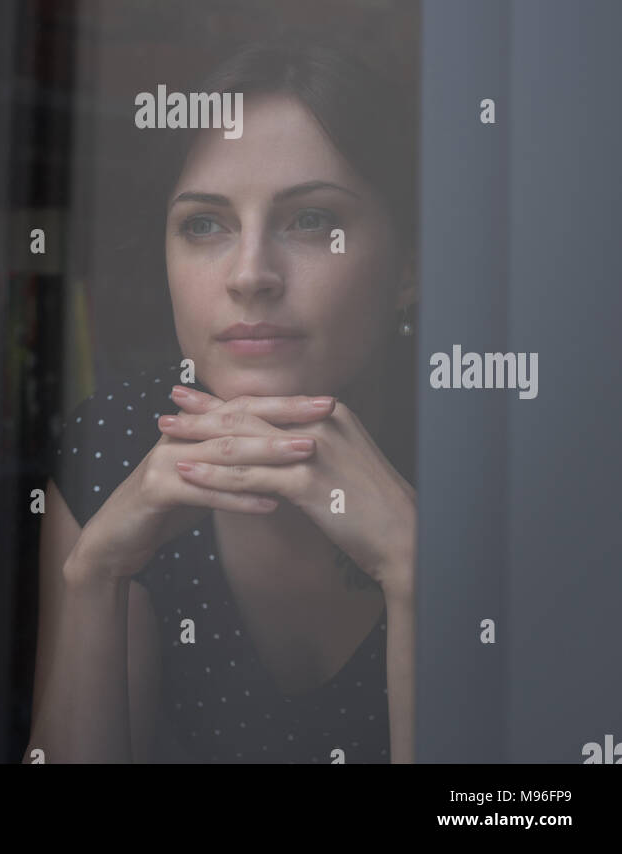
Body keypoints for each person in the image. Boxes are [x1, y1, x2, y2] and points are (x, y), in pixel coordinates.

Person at [25, 40, 418, 764]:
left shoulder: (496, 462)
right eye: (204, 225)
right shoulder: (118, 444)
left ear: (408, 268)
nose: (249, 275)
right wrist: (93, 577)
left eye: (311, 220)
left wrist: (416, 569)